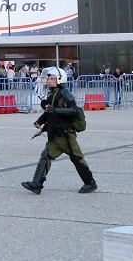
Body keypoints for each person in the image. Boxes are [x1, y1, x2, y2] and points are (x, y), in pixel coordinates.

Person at [21, 65, 97, 195]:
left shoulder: (65, 94)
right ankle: (37, 184)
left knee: (77, 159)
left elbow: (74, 111)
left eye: (51, 78)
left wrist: (55, 110)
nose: (48, 80)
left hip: (66, 135)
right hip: (56, 135)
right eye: (49, 77)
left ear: (60, 79)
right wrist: (40, 120)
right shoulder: (53, 93)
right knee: (46, 155)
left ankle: (90, 183)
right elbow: (50, 112)